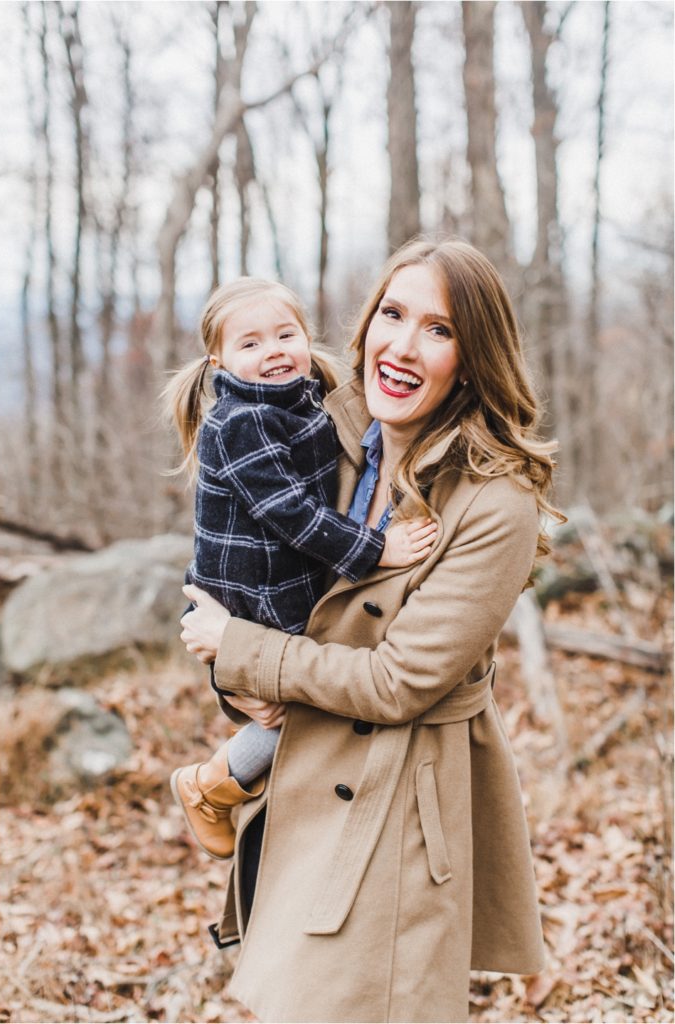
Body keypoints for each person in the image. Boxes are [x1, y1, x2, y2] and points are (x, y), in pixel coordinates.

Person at [180, 239, 563, 1024]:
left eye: (438, 329)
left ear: (472, 356)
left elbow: (397, 682)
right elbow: (234, 561)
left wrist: (244, 650)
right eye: (392, 314)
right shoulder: (326, 427)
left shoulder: (496, 505)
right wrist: (227, 665)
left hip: (395, 797)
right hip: (304, 765)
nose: (401, 344)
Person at [164, 277, 437, 861]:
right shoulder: (242, 422)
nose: (274, 352)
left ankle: (220, 783)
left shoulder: (307, 399)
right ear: (219, 361)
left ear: (307, 337)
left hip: (283, 585)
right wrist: (375, 548)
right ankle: (210, 785)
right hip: (254, 592)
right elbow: (290, 512)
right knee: (309, 701)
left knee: (311, 699)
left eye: (286, 334)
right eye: (251, 344)